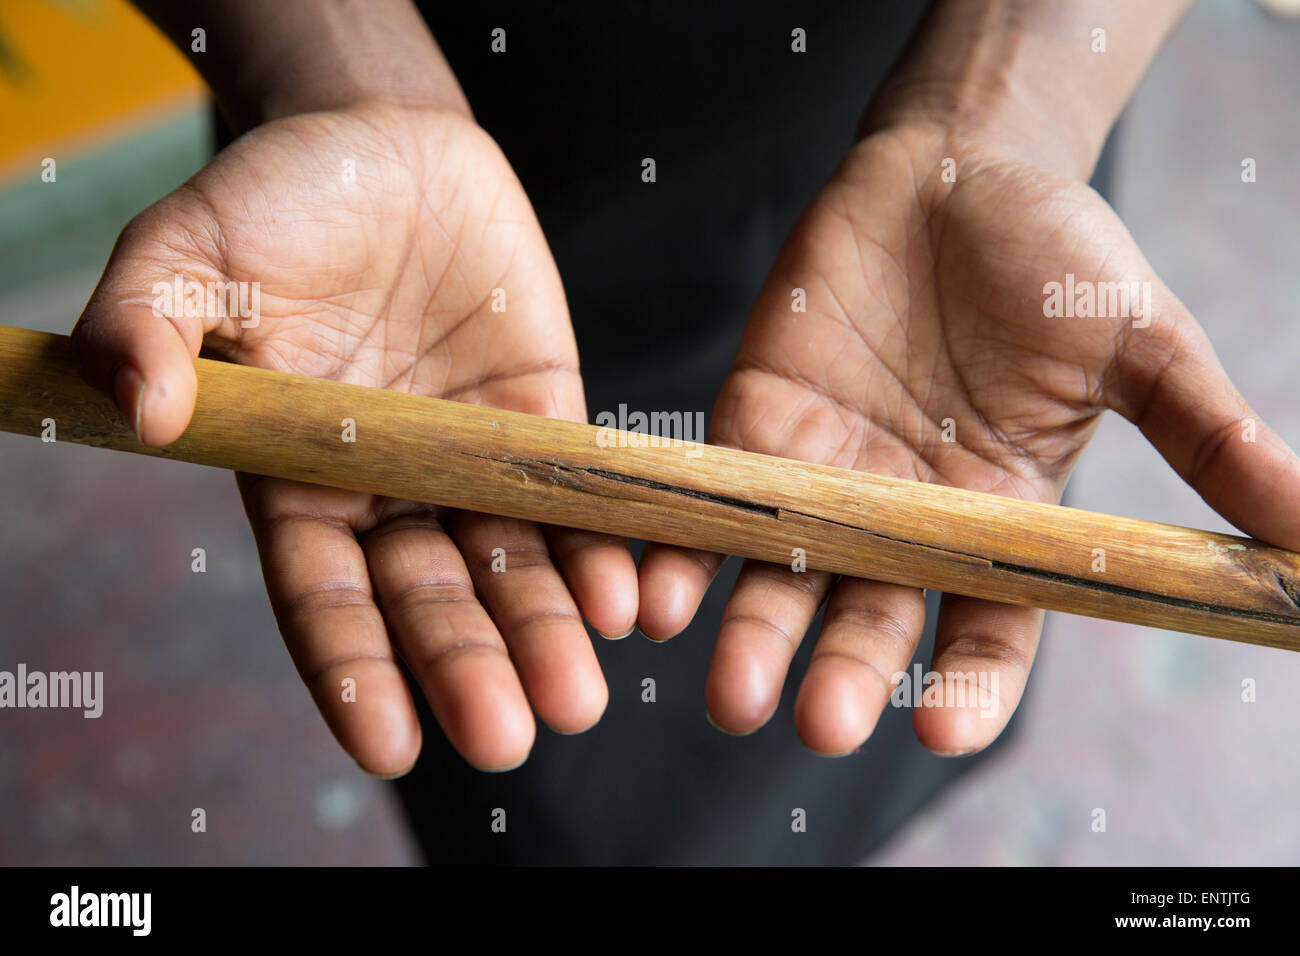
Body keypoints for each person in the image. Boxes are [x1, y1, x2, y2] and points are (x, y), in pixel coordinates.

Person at [69, 1, 1300, 863]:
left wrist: (1006, 118)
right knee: (517, 716)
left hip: (922, 264)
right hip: (428, 267)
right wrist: (339, 77)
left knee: (871, 692)